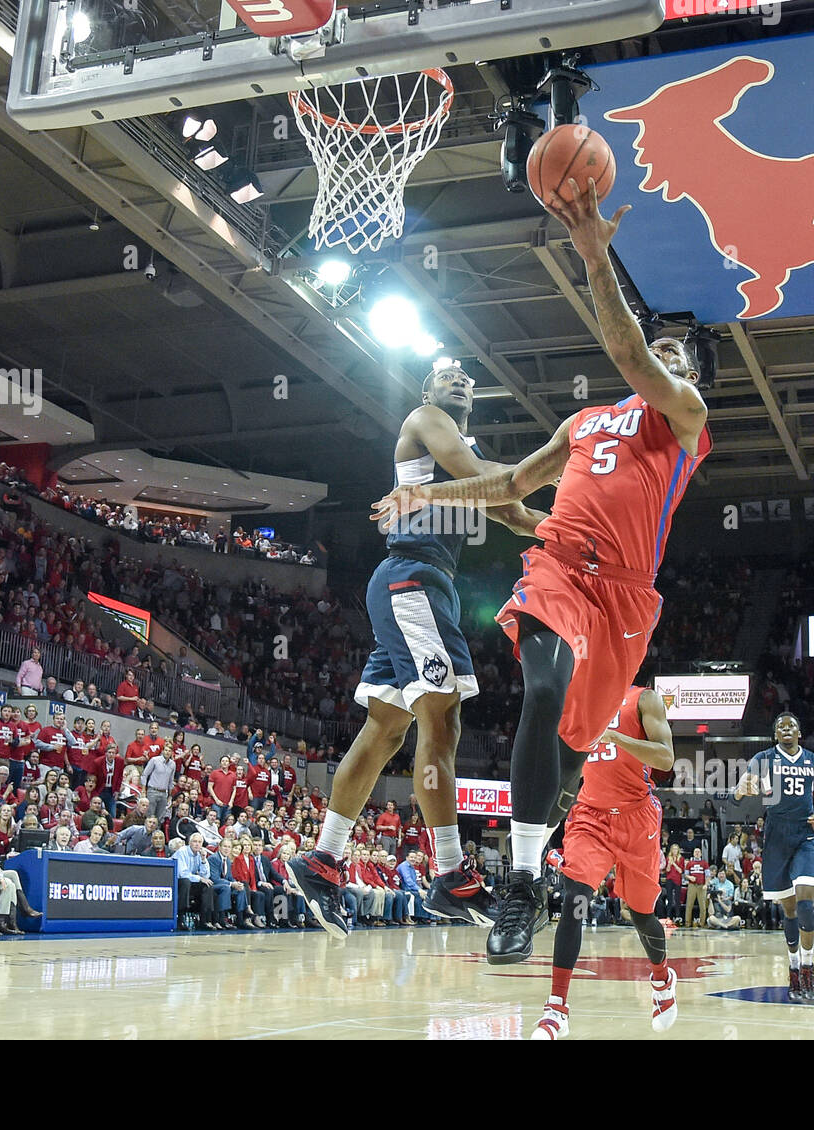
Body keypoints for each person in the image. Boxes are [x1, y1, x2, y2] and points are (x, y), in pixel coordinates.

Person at [373, 180, 711, 963]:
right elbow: (511, 486)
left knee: (569, 751)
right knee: (546, 689)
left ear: (688, 376)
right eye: (661, 348)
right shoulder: (586, 422)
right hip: (559, 564)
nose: (661, 355)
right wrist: (418, 490)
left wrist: (595, 257)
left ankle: (539, 862)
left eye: (676, 354)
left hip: (625, 599)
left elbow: (628, 350)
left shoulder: (684, 418)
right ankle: (521, 885)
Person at [288, 356, 545, 941]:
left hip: (419, 584)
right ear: (429, 388)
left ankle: (322, 860)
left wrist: (564, 531)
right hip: (414, 578)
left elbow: (511, 509)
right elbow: (497, 482)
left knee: (385, 730)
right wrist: (571, 460)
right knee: (443, 719)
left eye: (468, 382)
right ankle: (451, 873)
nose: (460, 382)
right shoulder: (429, 419)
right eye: (449, 375)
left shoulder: (464, 461)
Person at [532, 686, 678, 1038]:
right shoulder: (576, 696)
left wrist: (615, 736)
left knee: (641, 914)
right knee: (575, 901)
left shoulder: (644, 699)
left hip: (636, 818)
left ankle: (662, 978)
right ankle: (557, 1007)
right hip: (590, 816)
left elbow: (666, 758)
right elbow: (562, 760)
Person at [735, 713, 814, 1003]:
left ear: (799, 732)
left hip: (806, 835)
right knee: (789, 911)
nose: (786, 729)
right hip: (776, 837)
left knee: (804, 905)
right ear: (775, 734)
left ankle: (808, 966)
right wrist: (741, 789)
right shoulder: (763, 758)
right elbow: (743, 786)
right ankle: (792, 967)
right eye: (780, 726)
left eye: (791, 725)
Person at [682, 847, 708, 929]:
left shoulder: (704, 863)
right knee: (689, 904)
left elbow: (707, 875)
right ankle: (687, 922)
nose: (697, 853)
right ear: (693, 853)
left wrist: (706, 884)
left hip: (701, 886)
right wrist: (690, 877)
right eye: (695, 852)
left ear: (700, 853)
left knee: (702, 905)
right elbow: (685, 875)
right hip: (692, 885)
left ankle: (702, 923)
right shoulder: (689, 863)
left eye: (698, 852)